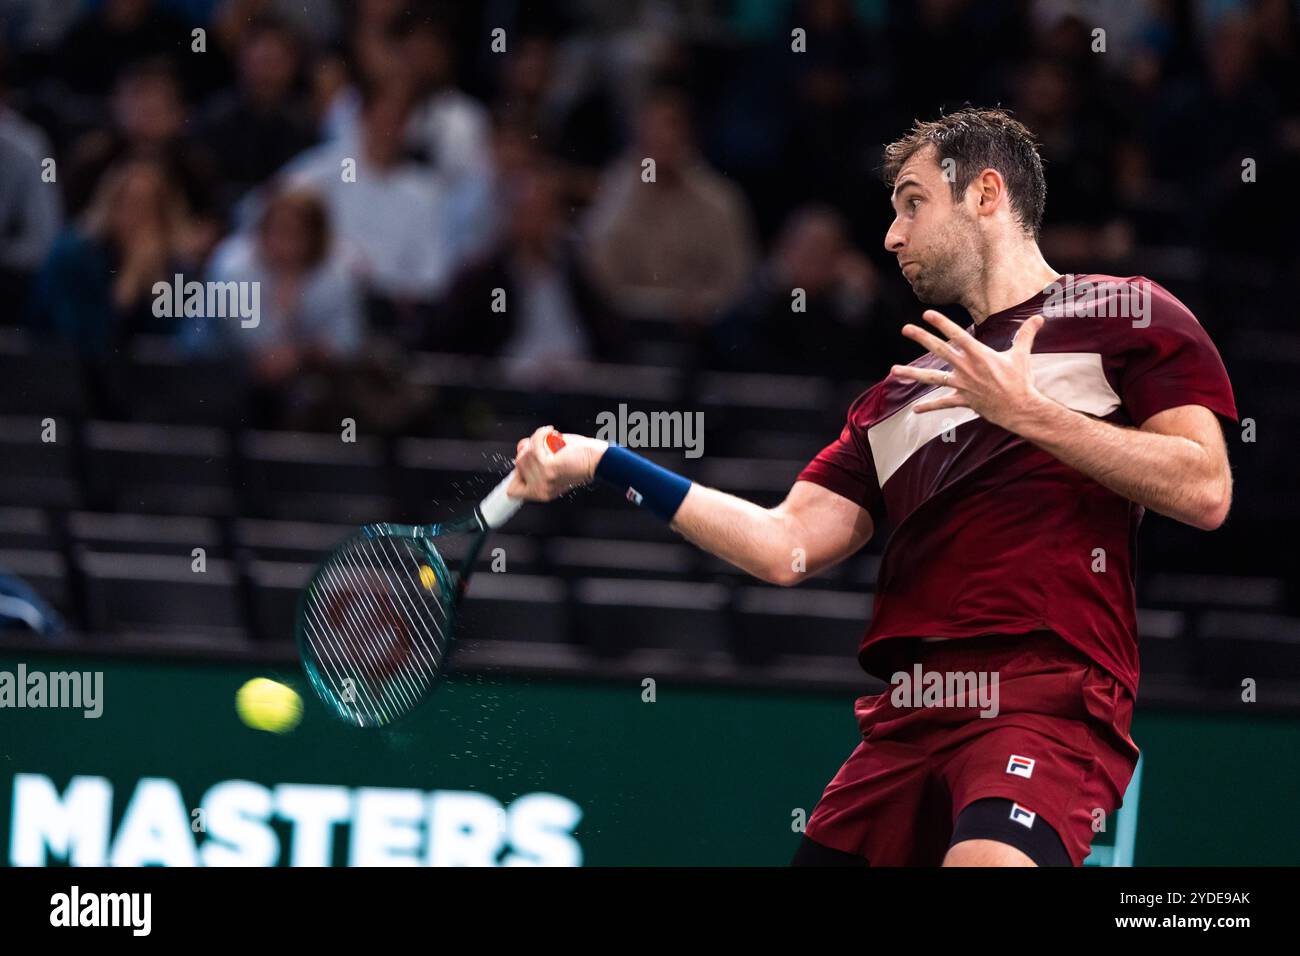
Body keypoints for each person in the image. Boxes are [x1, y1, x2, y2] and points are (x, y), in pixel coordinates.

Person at [502, 108, 1236, 867]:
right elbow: (783, 548)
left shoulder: (1126, 314)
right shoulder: (894, 401)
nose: (891, 235)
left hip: (1043, 697)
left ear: (986, 196)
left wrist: (1030, 414)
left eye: (913, 202)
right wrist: (606, 462)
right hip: (909, 717)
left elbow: (1205, 487)